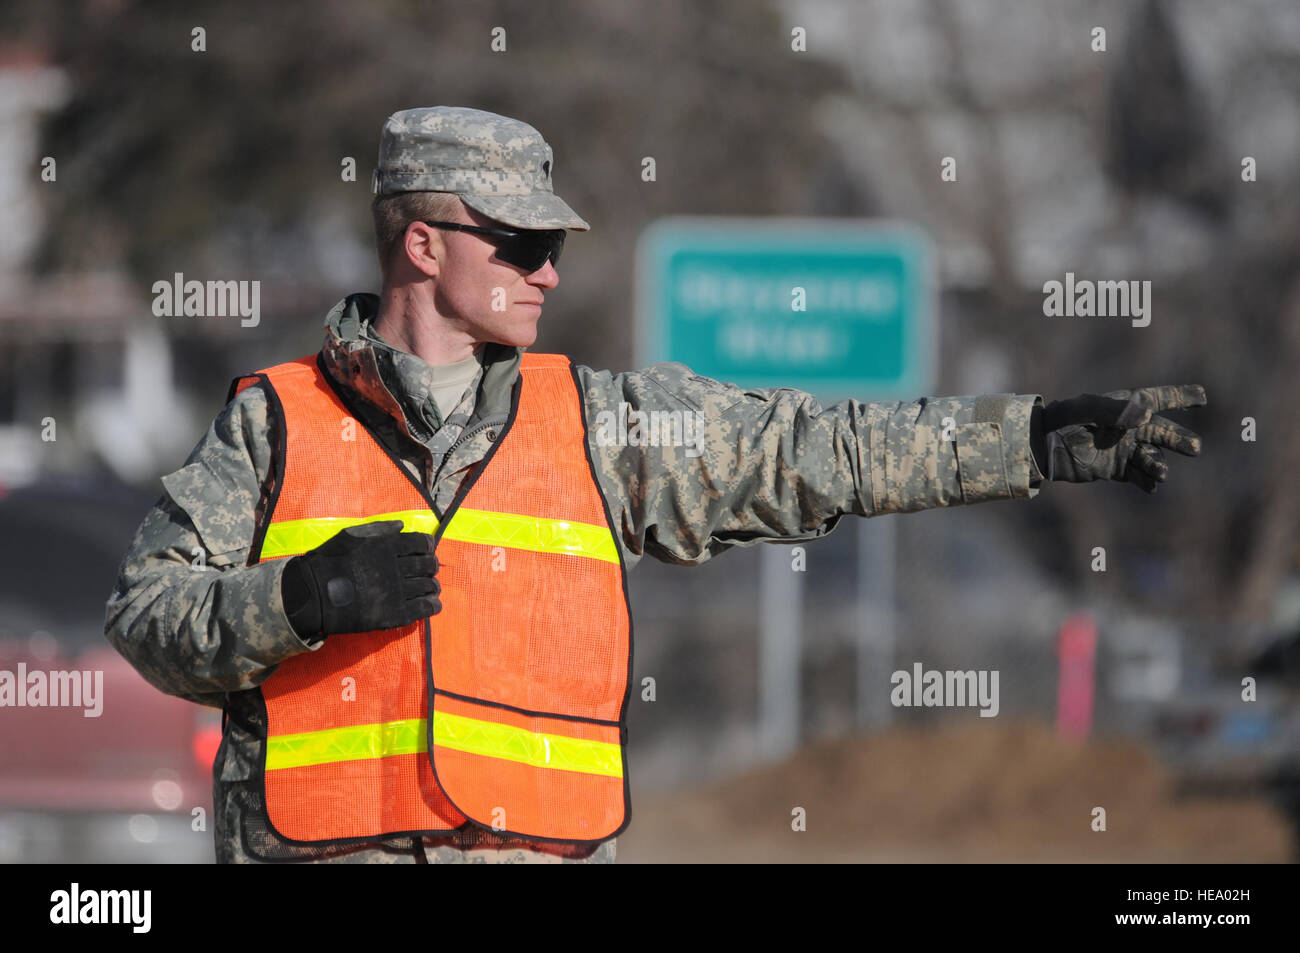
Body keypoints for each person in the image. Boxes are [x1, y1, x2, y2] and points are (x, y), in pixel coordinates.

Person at [104, 105, 1207, 864]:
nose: (549, 269)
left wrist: (1032, 435)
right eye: (523, 241)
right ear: (426, 247)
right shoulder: (274, 421)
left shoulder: (601, 426)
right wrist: (295, 601)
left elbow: (814, 450)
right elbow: (146, 616)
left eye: (557, 246)